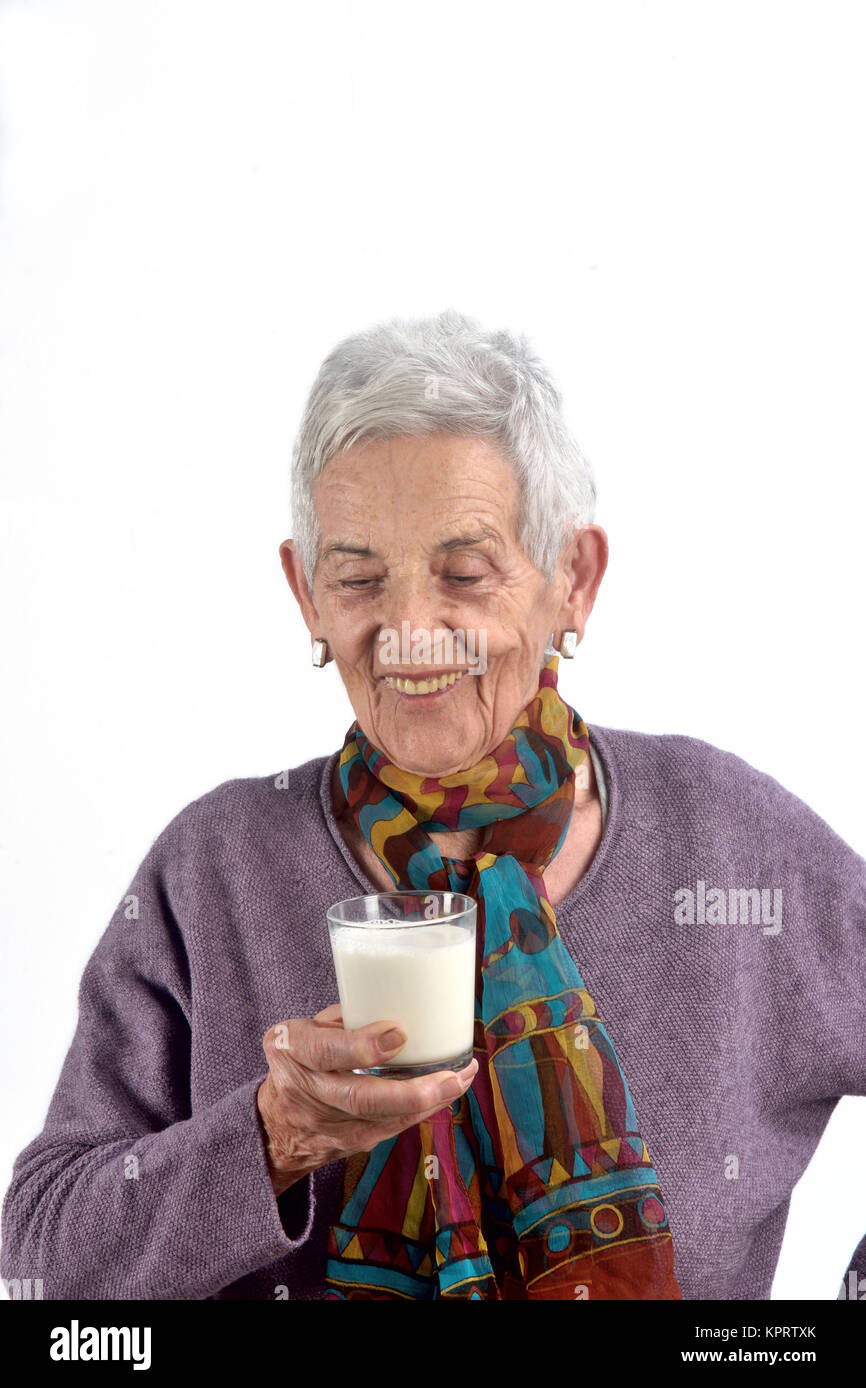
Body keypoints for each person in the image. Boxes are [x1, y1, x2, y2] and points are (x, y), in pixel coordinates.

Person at [3, 310, 864, 1300]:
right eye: (360, 576)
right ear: (306, 595)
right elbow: (40, 1265)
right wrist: (275, 1136)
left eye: (464, 573)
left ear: (571, 581)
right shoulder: (214, 868)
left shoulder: (730, 841)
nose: (409, 628)